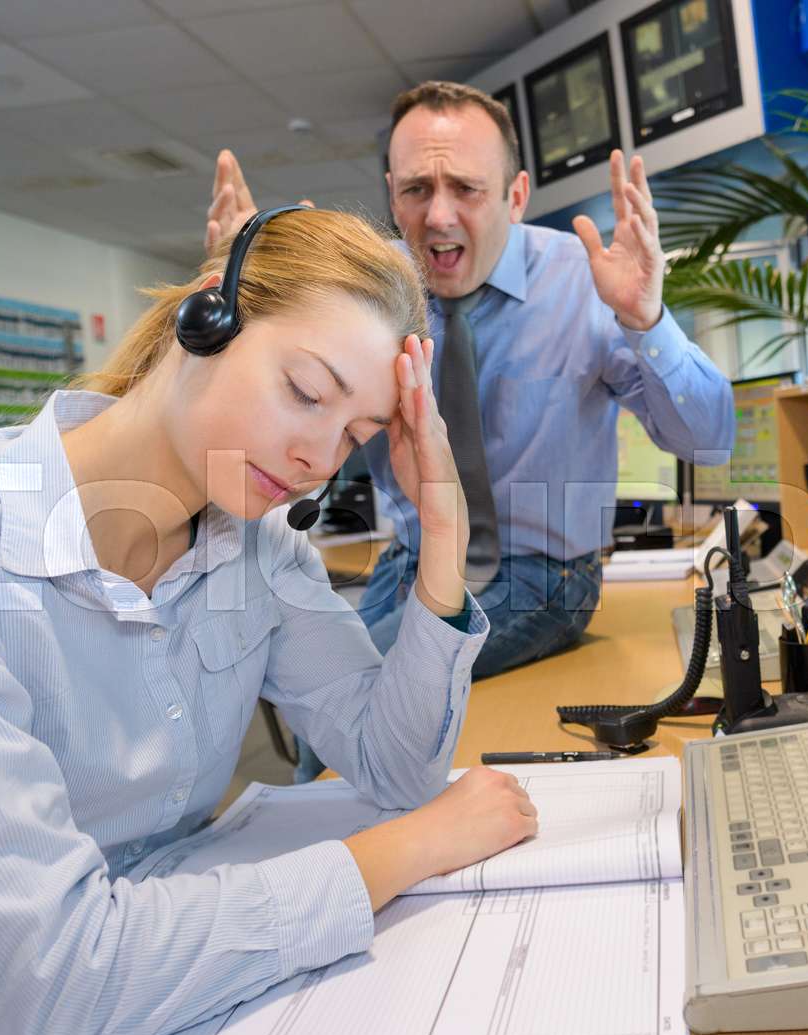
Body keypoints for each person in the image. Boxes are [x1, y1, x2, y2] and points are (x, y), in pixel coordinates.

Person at [0, 207, 539, 1035]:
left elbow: (397, 765)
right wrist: (401, 853)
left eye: (356, 435)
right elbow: (42, 987)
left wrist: (442, 534)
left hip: (172, 1019)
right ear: (208, 315)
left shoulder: (261, 548)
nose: (317, 458)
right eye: (306, 392)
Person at [207, 82, 735, 779]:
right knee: (318, 718)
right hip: (411, 557)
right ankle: (333, 855)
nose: (439, 213)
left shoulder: (583, 282)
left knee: (366, 706)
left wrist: (647, 321)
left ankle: (354, 855)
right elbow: (278, 431)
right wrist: (241, 301)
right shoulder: (367, 291)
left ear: (516, 196)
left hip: (540, 576)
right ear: (390, 191)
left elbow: (709, 439)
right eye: (418, 189)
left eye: (466, 187)